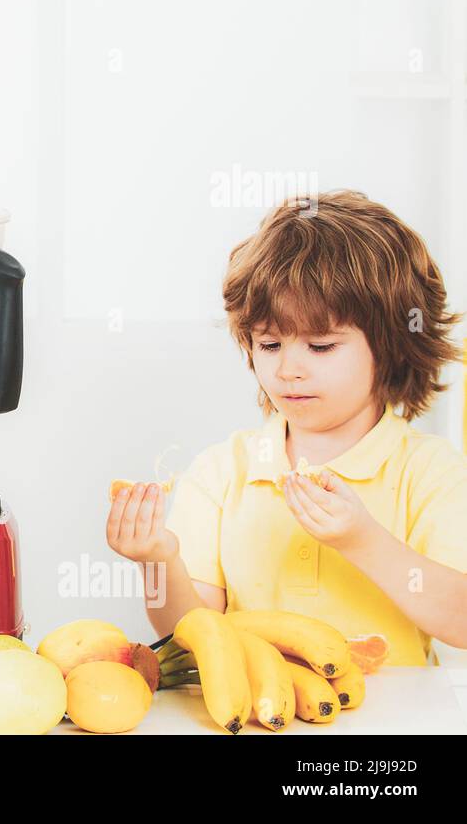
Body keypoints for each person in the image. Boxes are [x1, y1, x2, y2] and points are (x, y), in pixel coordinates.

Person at [107, 190, 467, 664]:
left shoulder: (429, 470)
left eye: (320, 347)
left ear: (392, 345)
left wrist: (362, 540)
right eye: (271, 344)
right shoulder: (222, 471)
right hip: (260, 709)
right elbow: (190, 632)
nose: (288, 370)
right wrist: (157, 561)